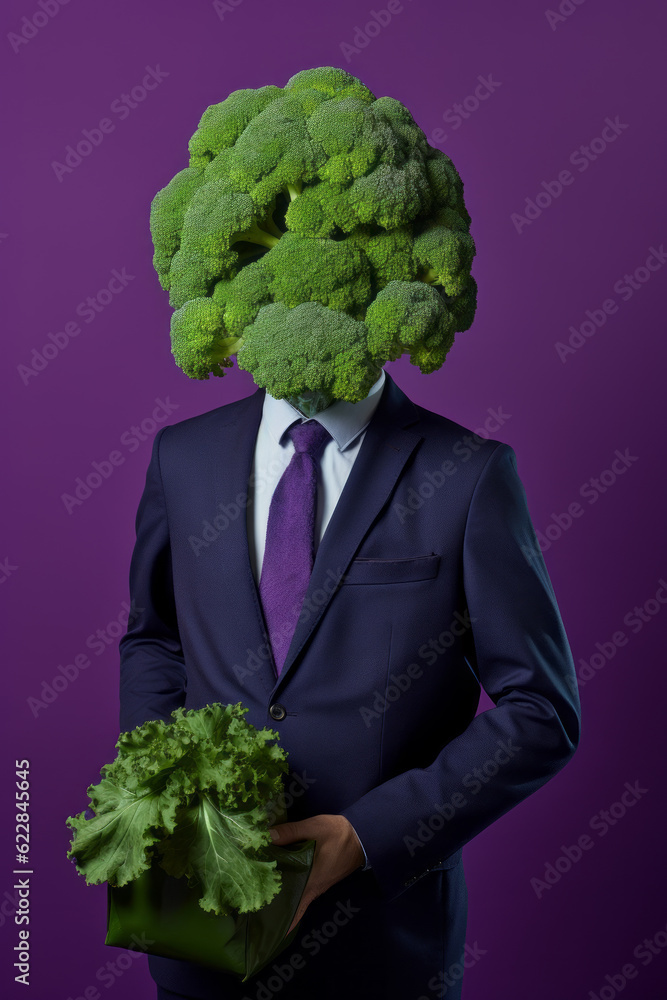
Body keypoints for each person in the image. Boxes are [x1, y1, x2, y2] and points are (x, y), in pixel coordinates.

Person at [119, 362, 581, 1000]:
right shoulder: (182, 454)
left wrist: (367, 835)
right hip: (200, 927)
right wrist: (164, 785)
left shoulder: (469, 472)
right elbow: (156, 640)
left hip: (380, 942)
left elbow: (541, 711)